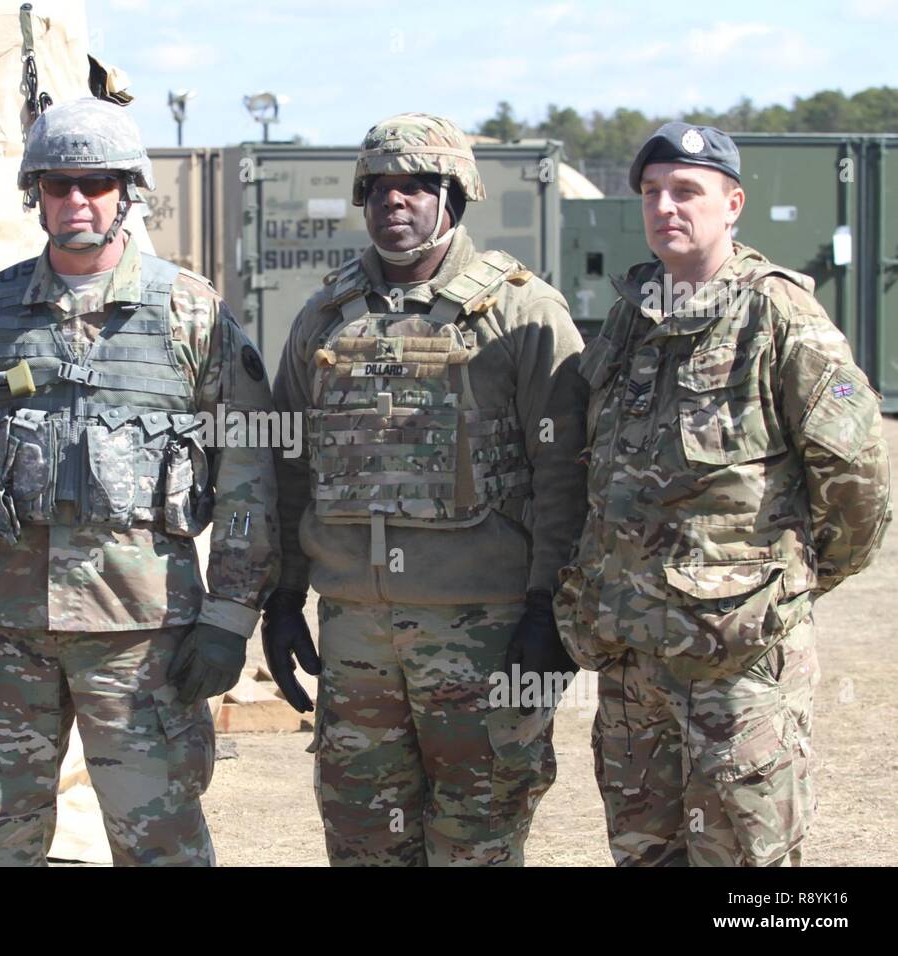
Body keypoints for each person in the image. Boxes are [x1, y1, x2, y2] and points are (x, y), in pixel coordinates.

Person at [0, 98, 278, 866]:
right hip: (5, 638)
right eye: (58, 184)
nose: (76, 201)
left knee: (162, 846)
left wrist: (230, 618)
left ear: (127, 193)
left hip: (141, 644)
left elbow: (250, 472)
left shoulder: (190, 314)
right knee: (0, 846)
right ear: (34, 194)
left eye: (95, 184)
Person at [556, 122, 892, 866]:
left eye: (687, 191)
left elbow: (859, 474)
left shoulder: (780, 317)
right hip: (633, 656)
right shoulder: (629, 318)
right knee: (644, 852)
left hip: (738, 665)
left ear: (732, 203)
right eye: (652, 193)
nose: (666, 208)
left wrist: (790, 583)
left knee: (747, 862)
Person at [265, 113, 588, 866]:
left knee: (478, 839)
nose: (393, 202)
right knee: (362, 842)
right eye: (377, 188)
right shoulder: (323, 318)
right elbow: (286, 466)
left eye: (416, 186)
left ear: (457, 195)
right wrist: (282, 600)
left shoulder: (523, 315)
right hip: (357, 638)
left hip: (487, 637)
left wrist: (549, 611)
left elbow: (566, 477)